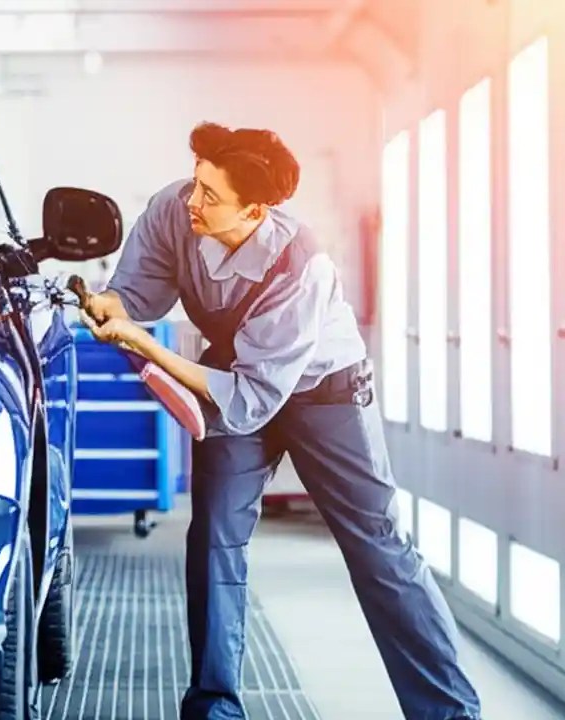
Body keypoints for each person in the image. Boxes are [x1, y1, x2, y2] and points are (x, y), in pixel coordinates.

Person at [79, 122, 482, 720]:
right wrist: (110, 304)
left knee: (378, 548)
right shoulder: (175, 209)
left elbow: (249, 400)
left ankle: (448, 713)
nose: (195, 201)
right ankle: (214, 708)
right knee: (214, 533)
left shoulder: (301, 266)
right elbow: (136, 294)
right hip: (236, 371)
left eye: (211, 196)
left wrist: (145, 341)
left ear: (256, 211)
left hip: (325, 392)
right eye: (196, 184)